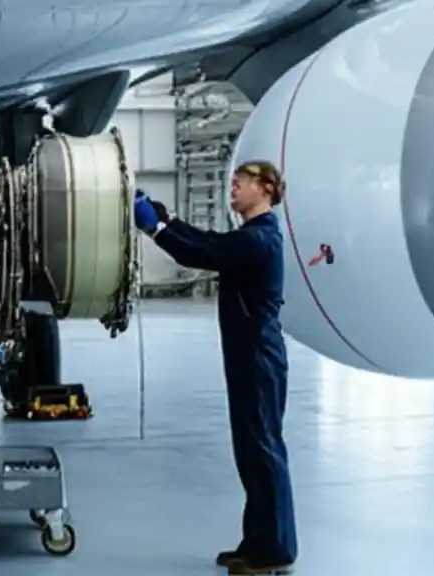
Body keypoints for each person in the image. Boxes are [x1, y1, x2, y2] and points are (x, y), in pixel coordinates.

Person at [133, 160, 297, 575]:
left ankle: (274, 551)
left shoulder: (260, 239)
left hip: (258, 357)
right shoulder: (252, 235)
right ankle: (258, 542)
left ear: (265, 189)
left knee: (262, 450)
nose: (233, 187)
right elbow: (210, 241)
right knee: (252, 451)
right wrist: (167, 219)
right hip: (249, 355)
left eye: (241, 182)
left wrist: (157, 230)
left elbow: (204, 252)